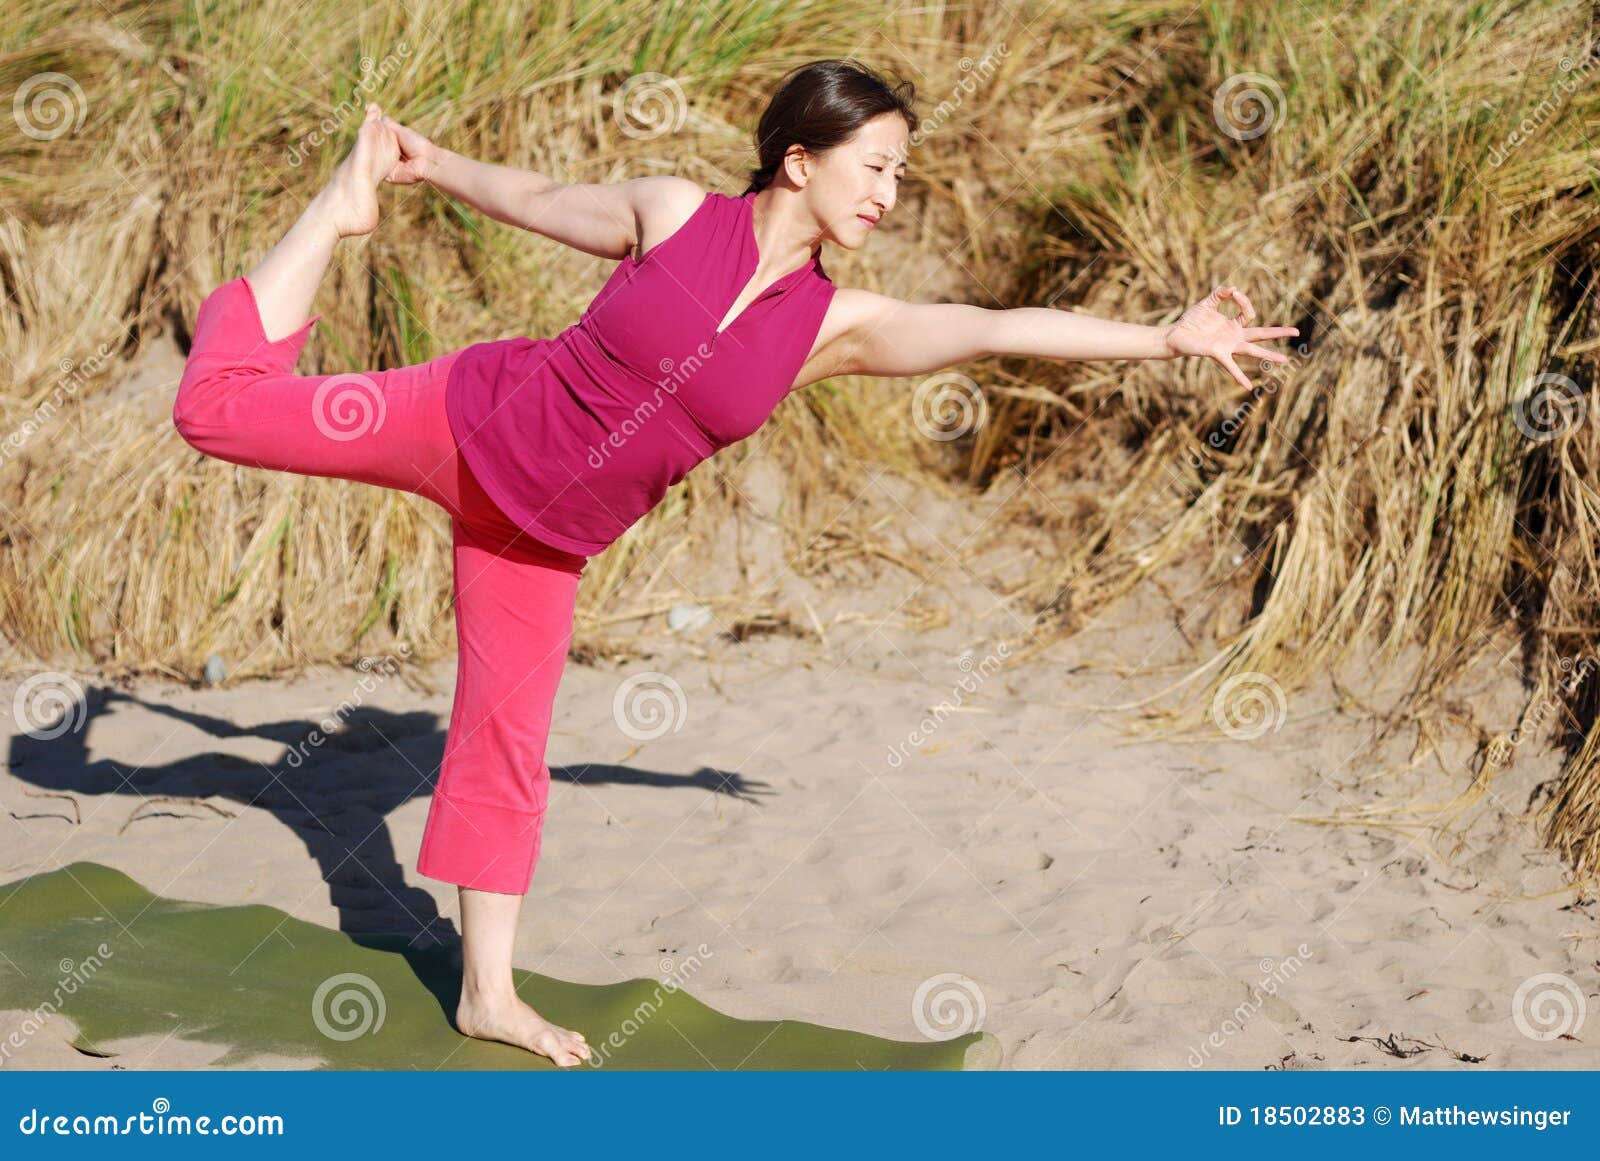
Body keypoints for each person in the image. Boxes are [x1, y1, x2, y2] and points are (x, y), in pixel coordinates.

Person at [172, 58, 1298, 1067]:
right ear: (798, 160)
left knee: (505, 747)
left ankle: (488, 995)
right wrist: (414, 166)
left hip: (542, 540)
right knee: (214, 413)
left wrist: (1165, 338)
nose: (887, 193)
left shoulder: (829, 327)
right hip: (465, 419)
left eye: (900, 175)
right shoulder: (673, 217)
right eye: (875, 166)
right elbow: (538, 201)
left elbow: (991, 325)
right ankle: (332, 211)